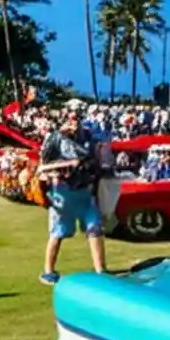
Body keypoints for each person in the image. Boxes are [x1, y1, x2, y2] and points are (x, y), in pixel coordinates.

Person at [39, 114, 105, 285]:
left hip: (83, 192)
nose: (73, 123)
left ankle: (100, 270)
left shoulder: (88, 138)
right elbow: (42, 166)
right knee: (57, 233)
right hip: (61, 195)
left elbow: (95, 161)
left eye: (76, 119)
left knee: (94, 228)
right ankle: (48, 271)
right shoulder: (55, 139)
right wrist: (65, 165)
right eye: (70, 119)